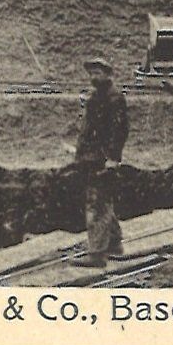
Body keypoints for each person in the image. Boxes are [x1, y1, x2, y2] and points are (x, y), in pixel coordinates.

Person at [69, 56, 130, 267]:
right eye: (92, 73)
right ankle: (113, 244)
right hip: (91, 157)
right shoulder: (97, 97)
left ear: (107, 74)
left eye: (98, 73)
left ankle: (97, 254)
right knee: (102, 200)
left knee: (96, 204)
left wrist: (113, 158)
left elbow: (118, 131)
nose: (94, 77)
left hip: (102, 159)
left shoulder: (114, 99)